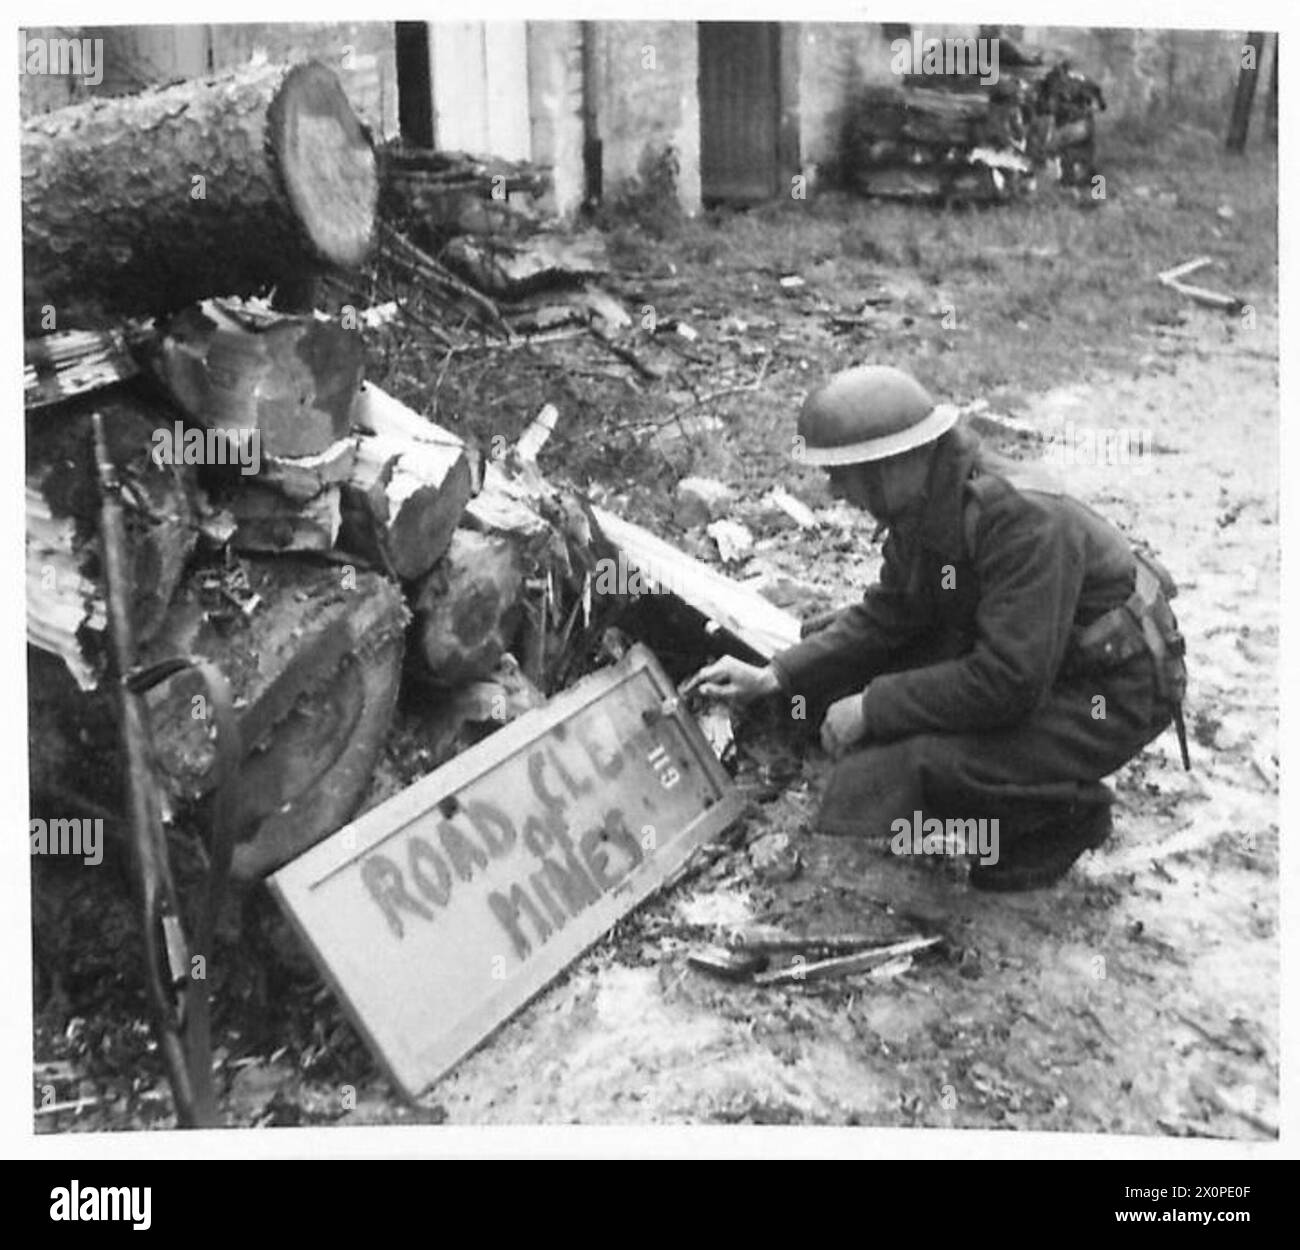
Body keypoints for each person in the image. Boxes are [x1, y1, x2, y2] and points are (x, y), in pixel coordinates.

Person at [684, 365, 1187, 891]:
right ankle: (1010, 779)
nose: (833, 491)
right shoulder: (926, 498)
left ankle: (1060, 815)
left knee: (912, 767)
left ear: (891, 464)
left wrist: (874, 707)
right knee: (826, 655)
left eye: (842, 473)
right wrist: (776, 675)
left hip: (1110, 691)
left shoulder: (1023, 520)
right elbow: (890, 614)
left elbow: (1008, 682)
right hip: (1042, 660)